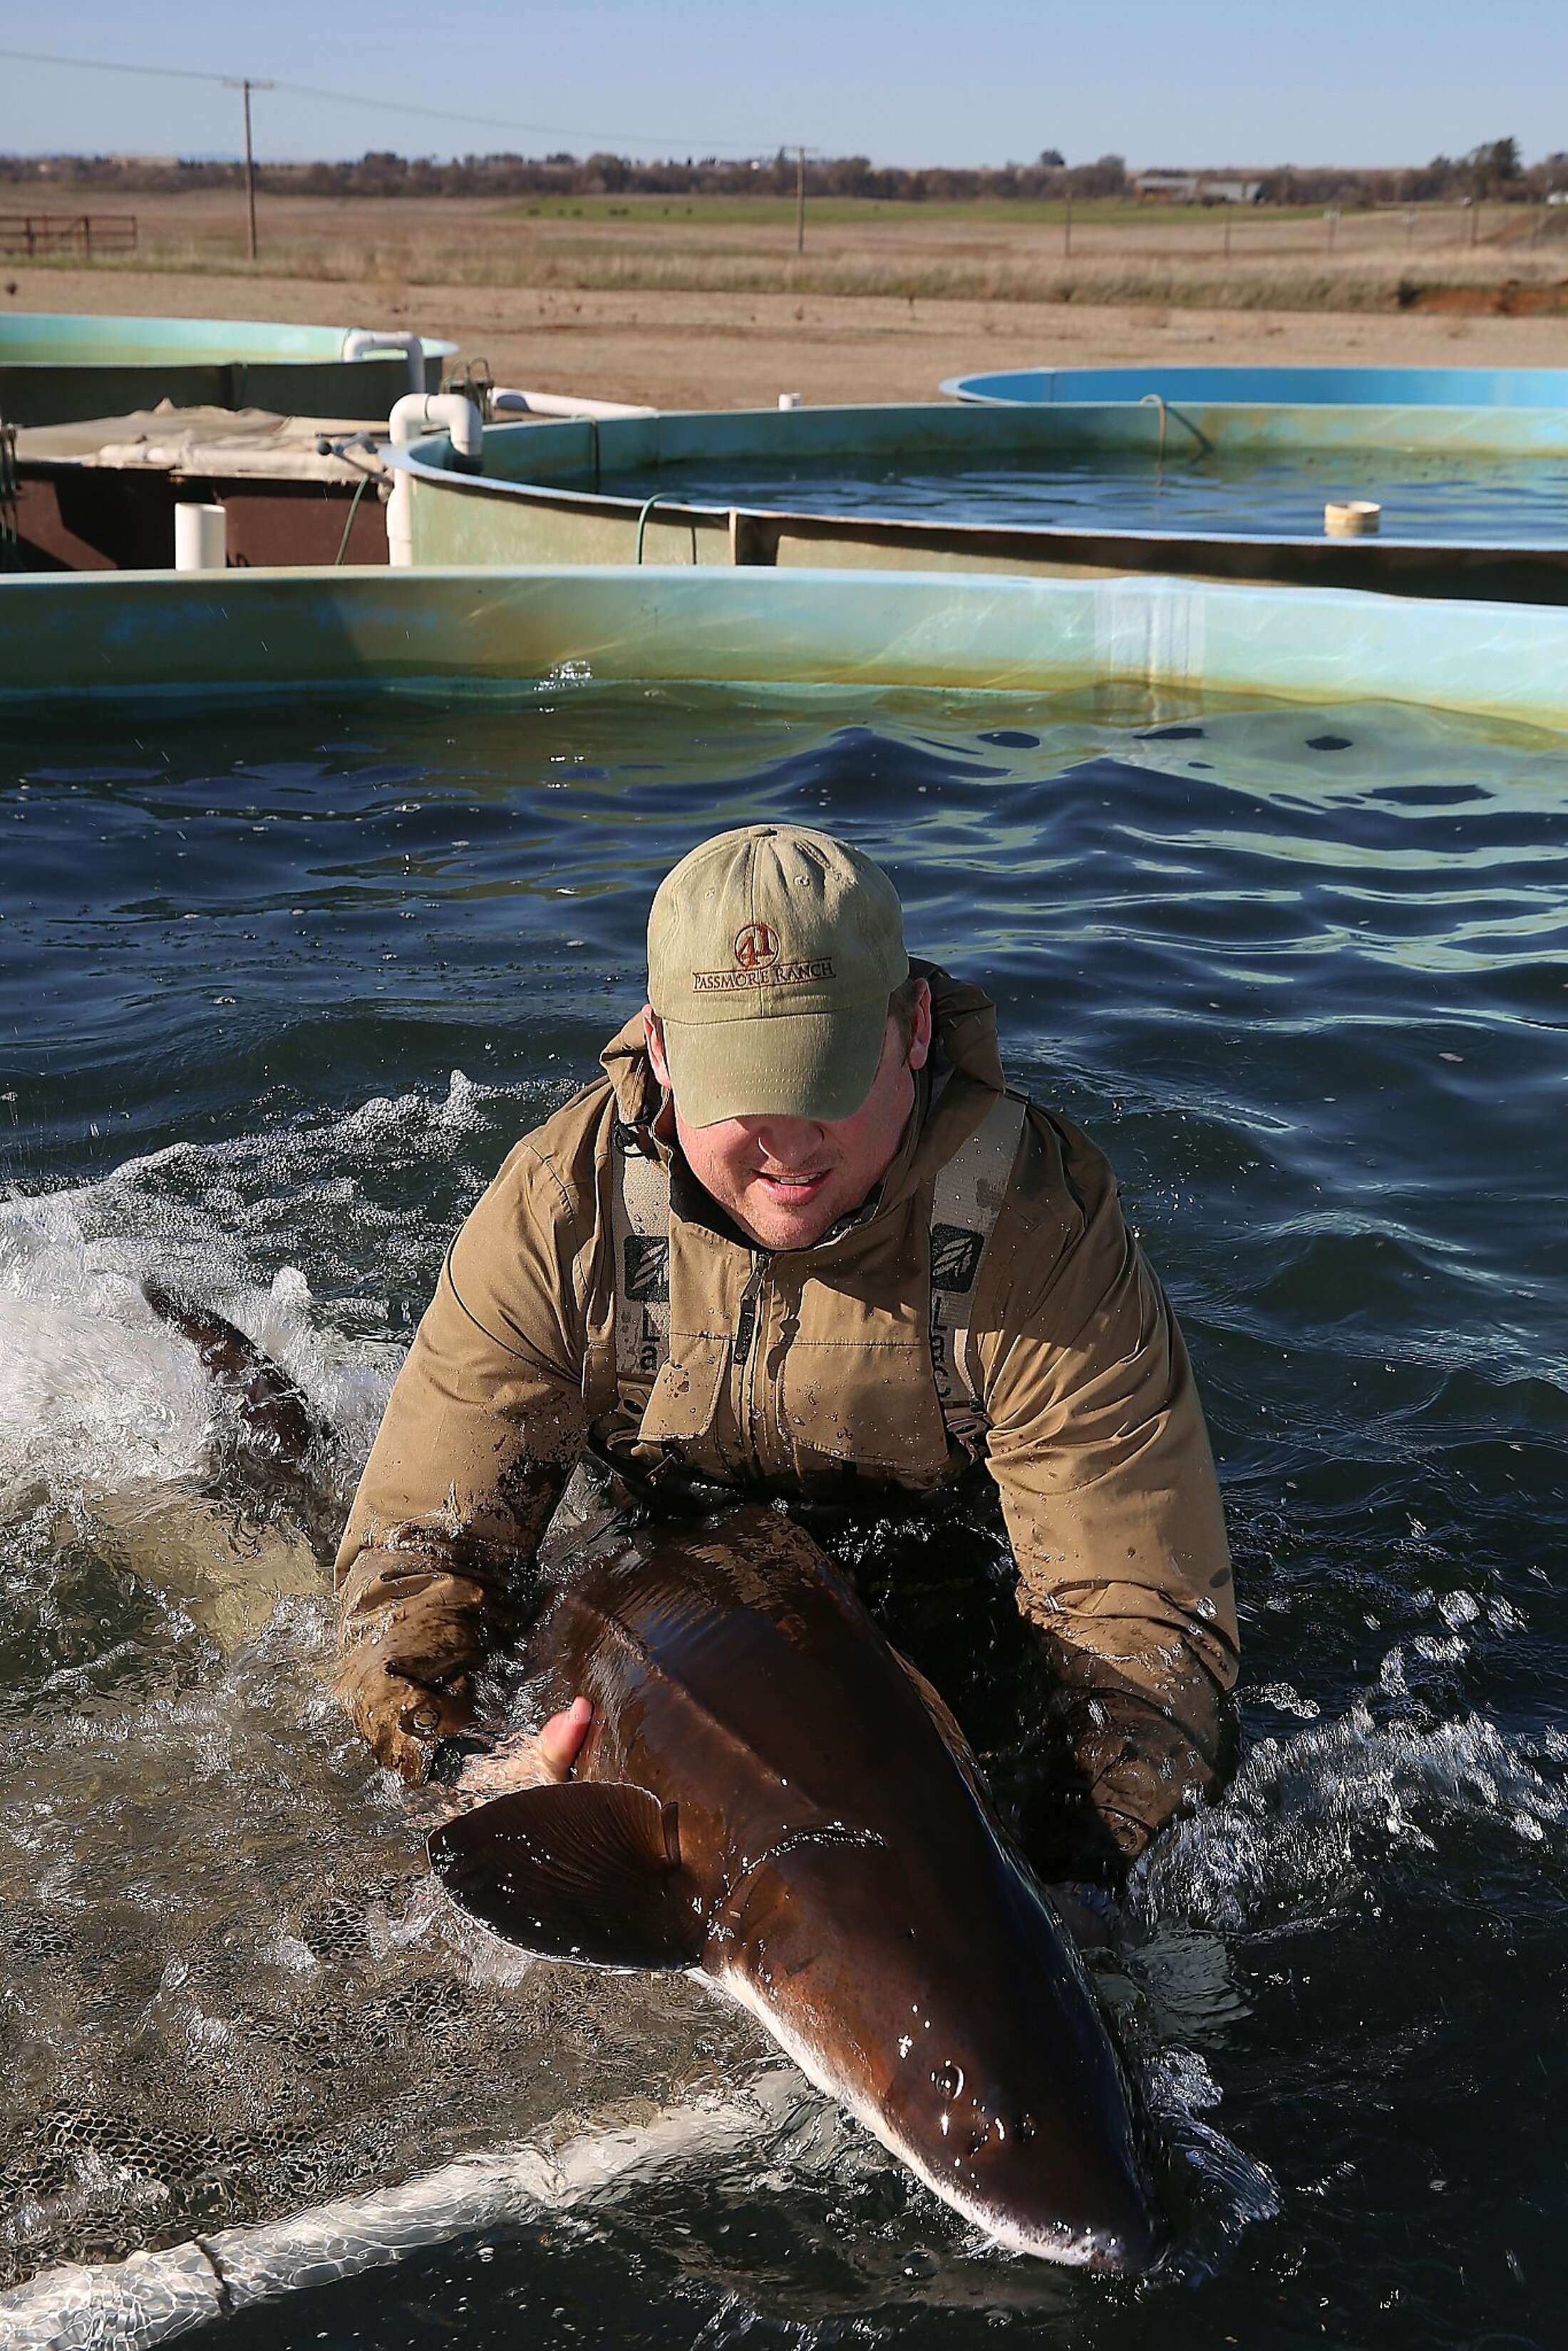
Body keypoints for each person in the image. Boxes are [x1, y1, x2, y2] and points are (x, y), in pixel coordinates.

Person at [333, 823, 1238, 1883]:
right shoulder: (560, 1212)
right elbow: (416, 1565)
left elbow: (1139, 1630)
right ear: (663, 1052)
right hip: (647, 1593)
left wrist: (1075, 1880)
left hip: (949, 1593)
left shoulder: (1036, 1232)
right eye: (747, 1090)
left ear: (913, 1029)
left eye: (825, 1077)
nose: (790, 1142)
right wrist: (468, 1769)